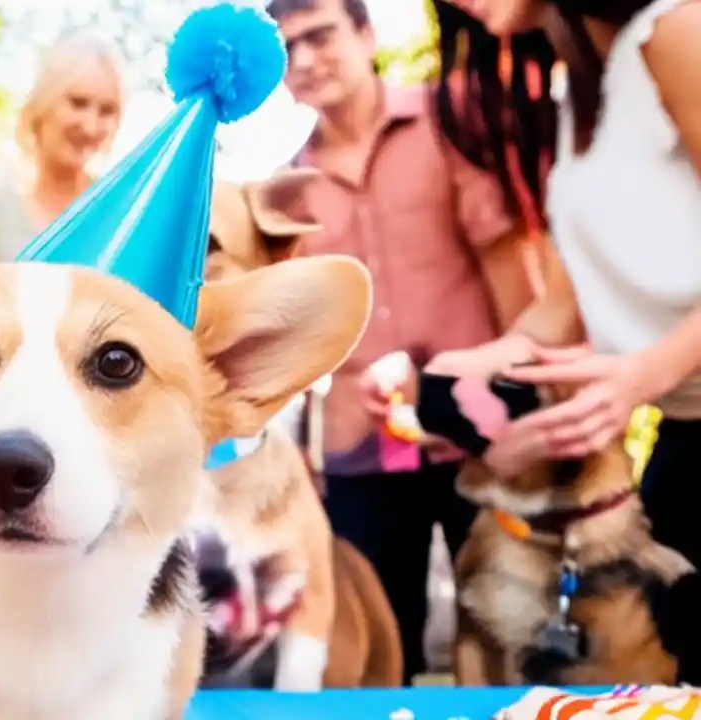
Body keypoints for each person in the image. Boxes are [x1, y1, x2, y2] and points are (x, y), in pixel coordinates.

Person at [262, 0, 535, 682]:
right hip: (361, 457)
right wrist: (302, 458)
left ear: (367, 35)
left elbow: (515, 279)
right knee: (382, 647)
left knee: (508, 638)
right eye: (287, 48)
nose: (305, 59)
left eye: (320, 35)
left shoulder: (452, 122)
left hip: (482, 432)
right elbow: (296, 340)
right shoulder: (289, 191)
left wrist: (533, 407)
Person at [416, 0, 701, 572]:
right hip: (685, 436)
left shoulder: (675, 29)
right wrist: (459, 376)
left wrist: (648, 372)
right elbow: (561, 310)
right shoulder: (581, 92)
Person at [0, 35, 124, 260]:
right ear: (44, 102)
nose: (90, 127)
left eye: (107, 111)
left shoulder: (115, 207)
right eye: (78, 103)